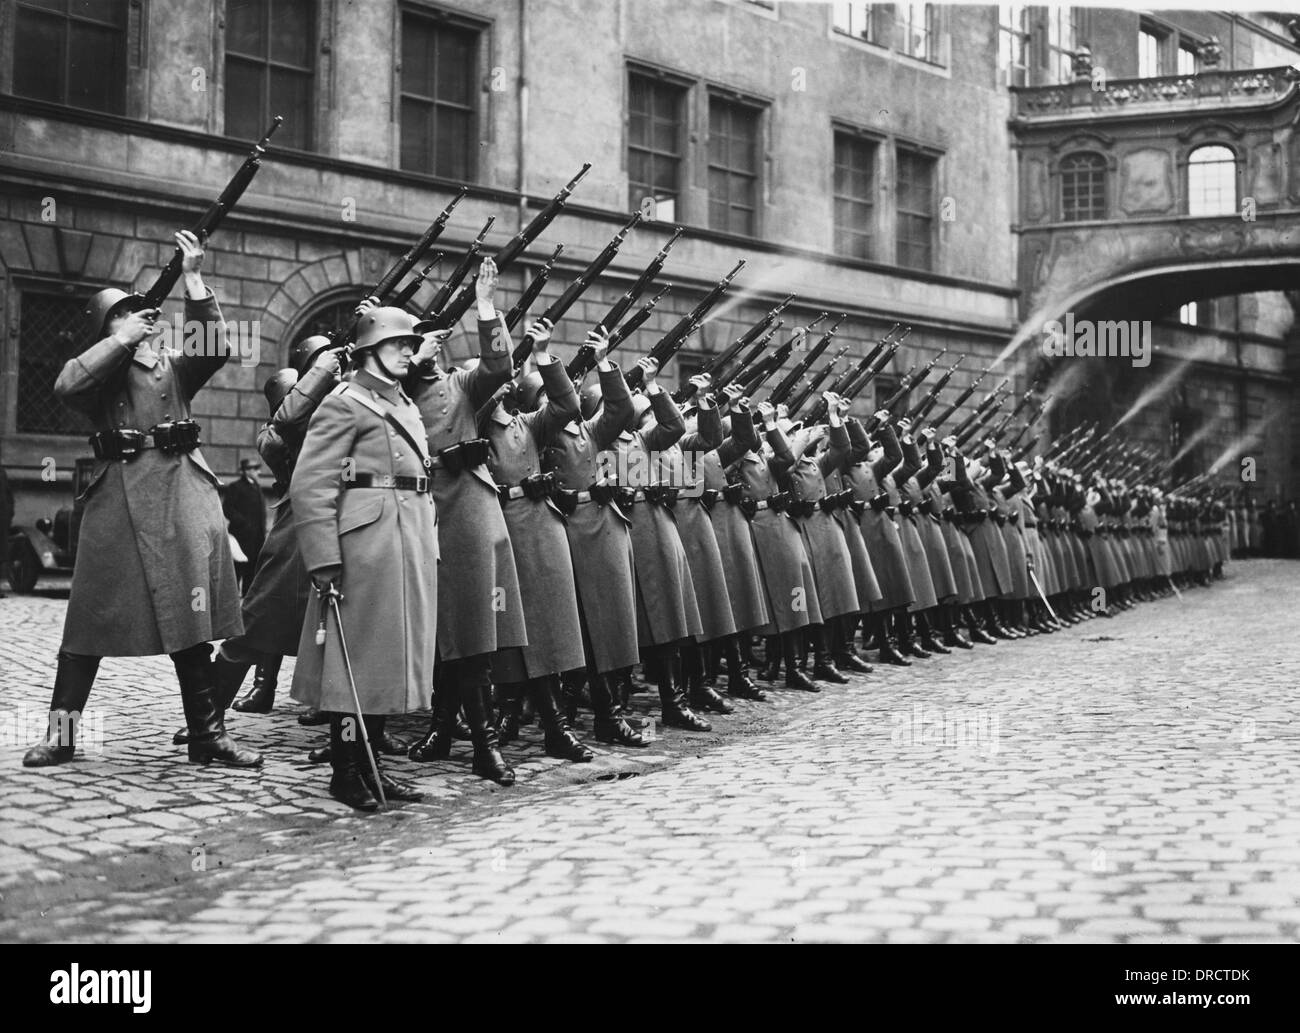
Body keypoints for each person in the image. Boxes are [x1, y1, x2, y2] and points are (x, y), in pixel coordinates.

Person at [24, 230, 259, 769]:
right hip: (118, 502)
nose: (141, 320)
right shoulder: (100, 368)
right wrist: (121, 339)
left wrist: (195, 280)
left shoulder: (173, 364)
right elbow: (66, 387)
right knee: (88, 620)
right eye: (124, 315)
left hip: (181, 494)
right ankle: (61, 736)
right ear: (108, 328)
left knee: (190, 618)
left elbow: (217, 347)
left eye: (143, 314)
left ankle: (207, 735)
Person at [289, 305, 437, 811]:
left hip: (406, 539)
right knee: (354, 664)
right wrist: (324, 559)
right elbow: (311, 484)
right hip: (365, 546)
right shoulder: (345, 402)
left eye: (411, 345)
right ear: (371, 347)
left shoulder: (404, 403)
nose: (407, 352)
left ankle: (373, 765)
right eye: (398, 344)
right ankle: (346, 771)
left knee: (386, 661)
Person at [405, 259, 527, 786]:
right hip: (415, 516)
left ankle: (482, 745)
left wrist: (483, 306)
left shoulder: (459, 384)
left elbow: (498, 368)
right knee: (436, 631)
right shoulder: (390, 392)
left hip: (468, 514)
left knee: (473, 628)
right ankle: (439, 724)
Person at [482, 319, 592, 762]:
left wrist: (543, 354)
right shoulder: (470, 419)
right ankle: (501, 716)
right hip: (497, 529)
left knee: (544, 630)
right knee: (503, 632)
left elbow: (566, 404)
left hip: (536, 528)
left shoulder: (526, 423)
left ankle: (554, 726)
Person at [223, 458, 266, 592]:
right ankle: (233, 599)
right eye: (254, 469)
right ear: (246, 471)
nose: (258, 472)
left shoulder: (257, 487)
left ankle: (248, 598)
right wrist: (243, 523)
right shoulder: (235, 487)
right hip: (240, 536)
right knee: (237, 568)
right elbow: (228, 509)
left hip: (256, 537)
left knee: (252, 569)